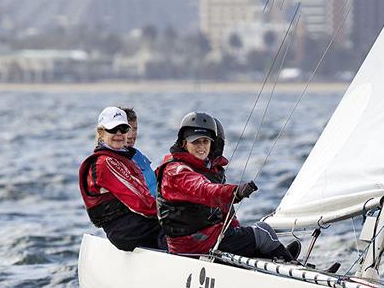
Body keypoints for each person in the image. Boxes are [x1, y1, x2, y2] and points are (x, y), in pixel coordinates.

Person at [155, 111, 299, 261]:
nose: (201, 146)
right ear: (184, 143)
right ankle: (290, 266)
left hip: (205, 237)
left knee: (259, 237)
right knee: (265, 233)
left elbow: (225, 211)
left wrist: (238, 232)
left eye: (205, 141)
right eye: (196, 142)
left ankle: (278, 259)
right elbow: (204, 190)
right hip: (193, 244)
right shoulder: (176, 171)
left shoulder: (206, 169)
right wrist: (235, 192)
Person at [78, 106, 166, 251]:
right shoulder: (106, 163)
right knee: (174, 225)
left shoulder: (123, 156)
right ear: (101, 132)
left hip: (132, 224)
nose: (119, 134)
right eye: (113, 129)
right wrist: (171, 212)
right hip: (124, 230)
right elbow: (140, 200)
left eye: (123, 129)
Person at [118, 106, 158, 197]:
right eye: (127, 130)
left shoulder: (139, 156)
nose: (131, 135)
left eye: (135, 129)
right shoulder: (112, 161)